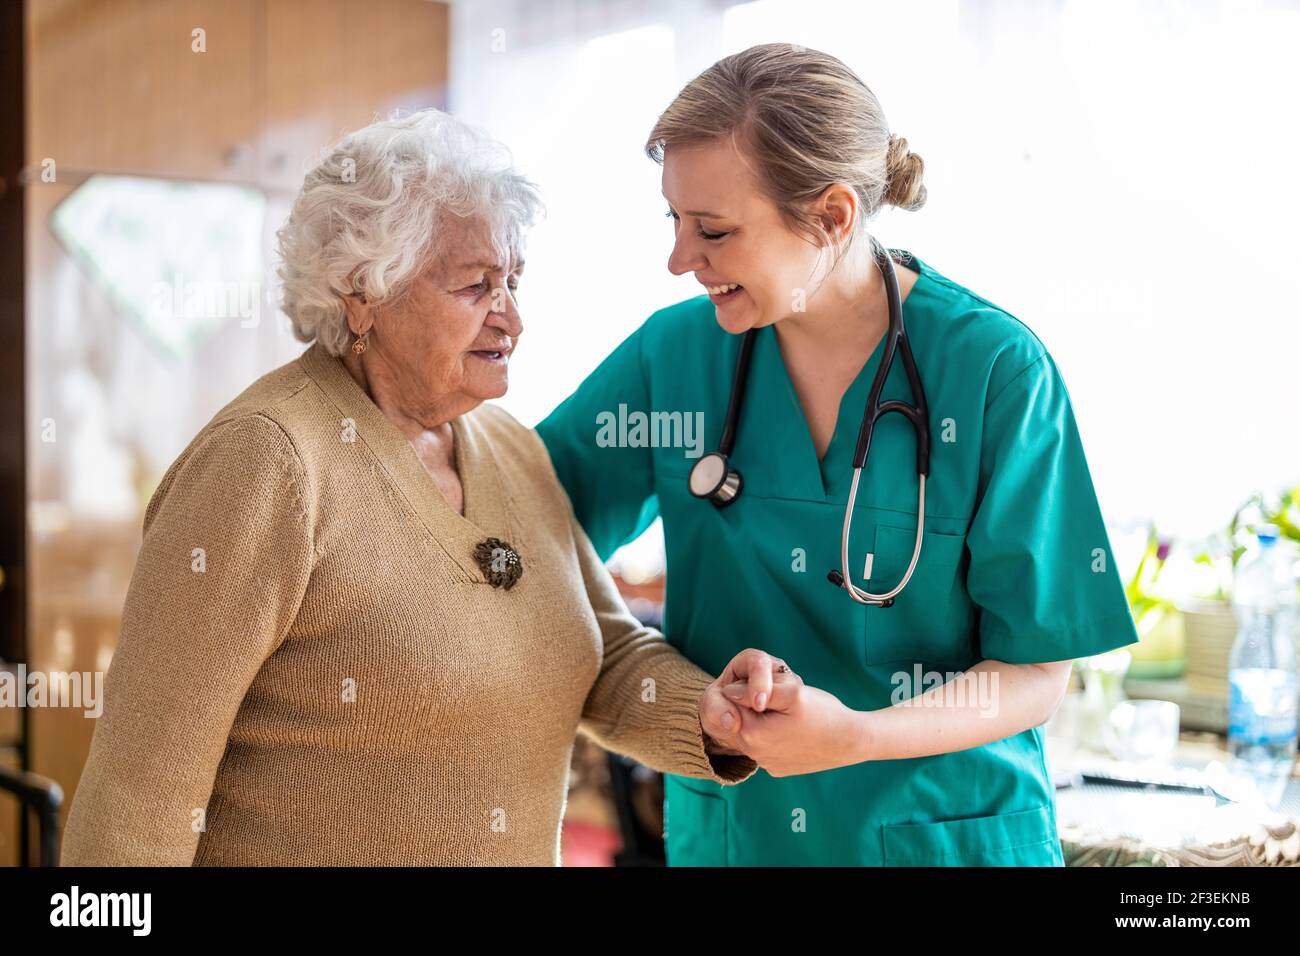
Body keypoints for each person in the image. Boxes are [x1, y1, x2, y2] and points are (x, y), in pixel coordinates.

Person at [59, 109, 800, 866]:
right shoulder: (267, 462)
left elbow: (603, 656)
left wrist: (708, 714)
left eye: (513, 281)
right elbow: (139, 795)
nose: (511, 316)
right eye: (477, 285)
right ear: (362, 295)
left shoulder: (510, 448)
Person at [537, 43, 1140, 865]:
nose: (680, 259)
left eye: (713, 229)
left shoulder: (994, 372)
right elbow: (527, 523)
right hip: (739, 835)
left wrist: (857, 734)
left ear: (832, 215)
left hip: (942, 836)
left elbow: (1036, 673)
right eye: (673, 221)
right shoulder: (671, 359)